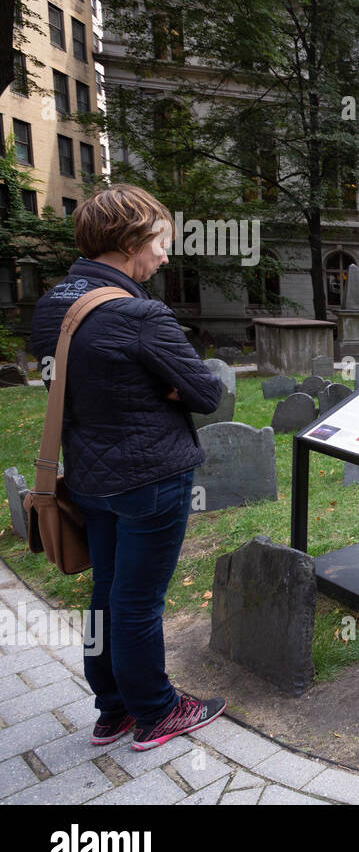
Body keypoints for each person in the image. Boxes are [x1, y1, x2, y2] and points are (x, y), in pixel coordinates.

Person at [30, 184, 228, 752]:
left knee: (107, 594)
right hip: (151, 478)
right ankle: (157, 710)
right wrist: (166, 386)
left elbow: (73, 386)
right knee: (138, 600)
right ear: (130, 239)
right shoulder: (140, 314)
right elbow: (206, 393)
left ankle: (111, 709)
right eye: (160, 242)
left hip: (90, 477)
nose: (165, 256)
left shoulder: (51, 307)